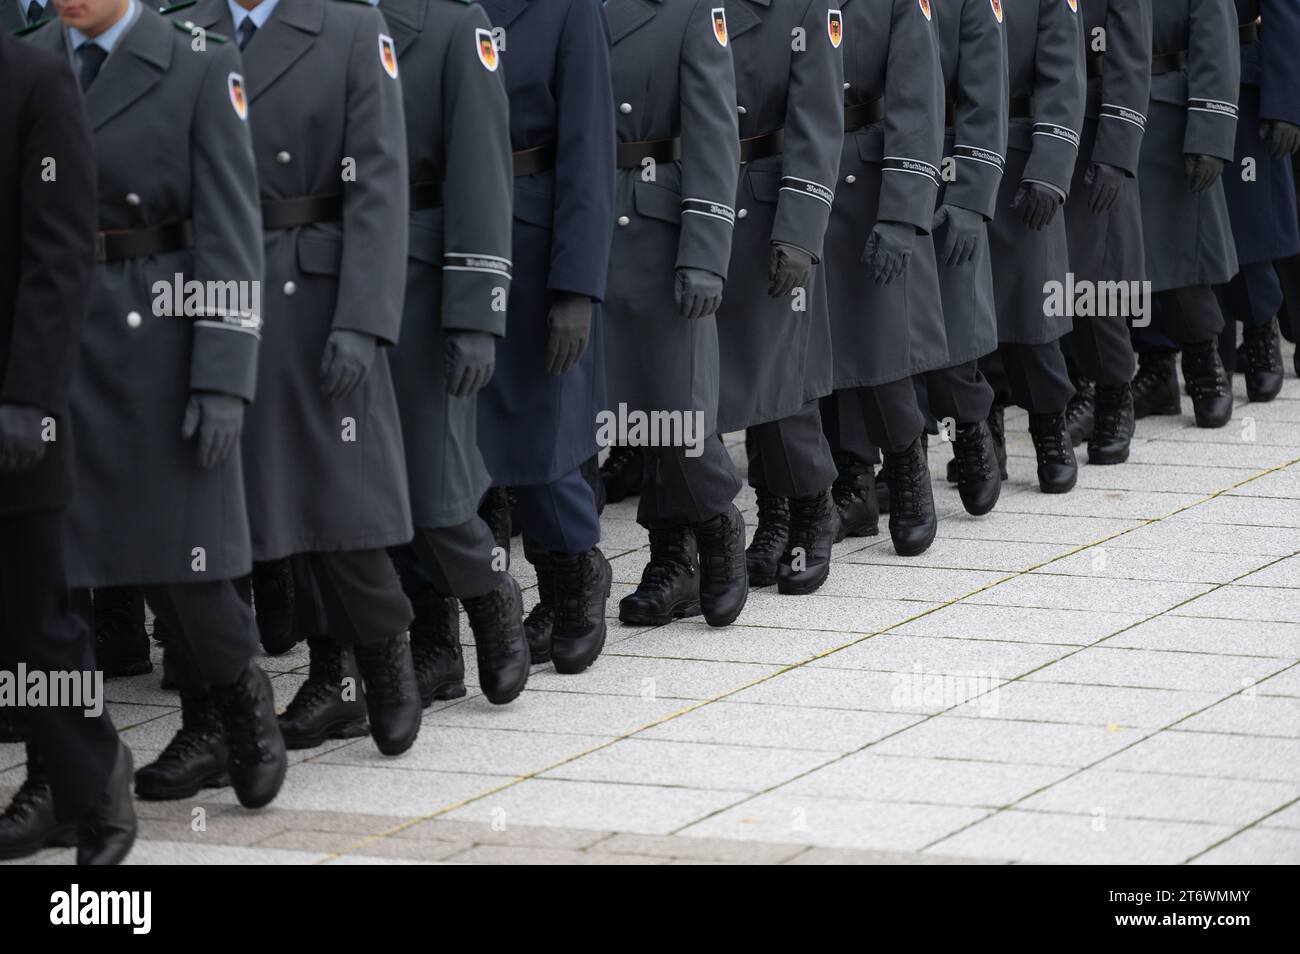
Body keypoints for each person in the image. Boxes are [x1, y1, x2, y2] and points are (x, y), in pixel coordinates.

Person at [23, 0, 288, 811]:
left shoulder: (198, 62)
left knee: (185, 562)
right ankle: (58, 770)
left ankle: (241, 706)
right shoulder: (28, 58)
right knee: (45, 585)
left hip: (161, 343)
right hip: (50, 342)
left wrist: (221, 374)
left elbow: (230, 230)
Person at [159, 0, 421, 770]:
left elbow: (379, 179)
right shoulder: (181, 28)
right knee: (205, 523)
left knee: (338, 507)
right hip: (207, 299)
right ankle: (214, 712)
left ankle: (381, 656)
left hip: (312, 297)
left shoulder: (346, 28)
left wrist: (365, 318)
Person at [0, 22, 135, 865]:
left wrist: (27, 399)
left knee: (33, 621)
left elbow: (58, 259)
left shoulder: (36, 81)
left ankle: (91, 781)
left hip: (15, 413)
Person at [477, 0, 616, 674]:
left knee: (546, 427)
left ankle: (573, 578)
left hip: (535, 245)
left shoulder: (568, 10)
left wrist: (576, 287)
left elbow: (590, 153)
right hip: (453, 242)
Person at [600, 0, 747, 628]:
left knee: (677, 414)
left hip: (656, 234)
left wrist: (706, 252)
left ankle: (718, 527)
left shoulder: (687, 12)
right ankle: (661, 559)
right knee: (591, 422)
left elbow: (714, 135)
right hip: (580, 230)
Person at [720, 0, 843, 596]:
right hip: (699, 203)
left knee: (782, 376)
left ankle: (811, 508)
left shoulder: (806, 9)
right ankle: (767, 517)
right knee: (709, 380)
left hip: (771, 206)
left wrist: (799, 227)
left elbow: (818, 122)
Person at [822, 0, 946, 558]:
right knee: (816, 349)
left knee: (879, 343)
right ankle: (850, 483)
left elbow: (918, 103)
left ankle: (905, 462)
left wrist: (902, 213)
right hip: (802, 172)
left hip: (869, 178)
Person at [981, 0, 1085, 494]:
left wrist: (1050, 165)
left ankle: (1049, 426)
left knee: (1033, 311)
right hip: (956, 154)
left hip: (1024, 153)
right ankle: (984, 431)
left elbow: (1063, 74)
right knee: (970, 315)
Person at [1131, 0, 1240, 429]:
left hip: (1169, 114)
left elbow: (1215, 38)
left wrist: (1211, 134)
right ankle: (1154, 369)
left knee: (1182, 255)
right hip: (1100, 110)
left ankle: (1203, 362)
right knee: (1115, 266)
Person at [1059, 0, 1152, 465]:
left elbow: (1131, 54)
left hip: (1096, 124)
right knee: (1058, 278)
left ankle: (1115, 395)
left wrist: (1116, 150)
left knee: (1100, 276)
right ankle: (1086, 387)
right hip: (1045, 121)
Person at [927, 0, 1010, 515]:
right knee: (870, 338)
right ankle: (881, 468)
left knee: (952, 323)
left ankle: (972, 429)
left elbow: (985, 95)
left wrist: (971, 197)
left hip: (944, 165)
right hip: (862, 162)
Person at [1217, 0, 1299, 403]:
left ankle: (1259, 328)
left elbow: (1284, 9)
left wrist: (1285, 103)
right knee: (1196, 225)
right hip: (1183, 77)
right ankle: (1209, 354)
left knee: (1250, 220)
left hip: (1245, 72)